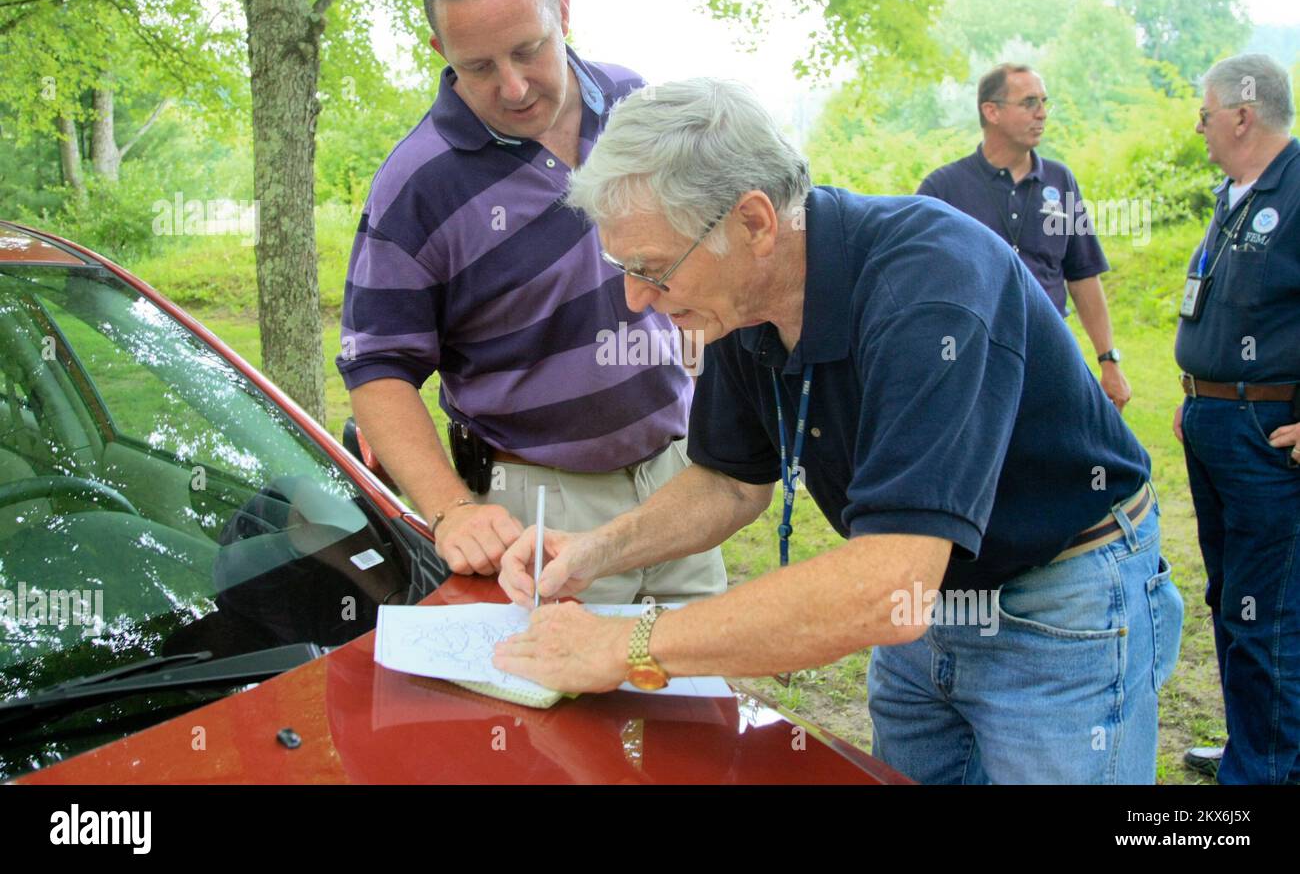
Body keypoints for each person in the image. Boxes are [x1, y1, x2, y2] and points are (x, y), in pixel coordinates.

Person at [492, 78, 1184, 784]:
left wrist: (625, 645)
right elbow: (731, 482)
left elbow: (885, 584)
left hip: (1056, 601)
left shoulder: (929, 285)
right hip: (927, 602)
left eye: (652, 270)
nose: (637, 299)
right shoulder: (738, 299)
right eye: (625, 270)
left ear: (754, 223)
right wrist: (591, 552)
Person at [335, 0, 725, 604]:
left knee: (700, 699)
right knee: (571, 707)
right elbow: (377, 367)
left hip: (679, 483)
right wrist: (451, 509)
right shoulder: (415, 185)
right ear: (440, 50)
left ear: (564, 13)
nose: (514, 88)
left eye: (529, 50)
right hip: (537, 513)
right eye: (480, 67)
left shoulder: (639, 106)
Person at [1174, 52, 1300, 785]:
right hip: (1215, 423)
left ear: (1243, 115)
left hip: (1267, 434)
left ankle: (1266, 772)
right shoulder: (1233, 192)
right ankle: (1253, 742)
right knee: (1232, 599)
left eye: (1206, 114)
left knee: (1270, 611)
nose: (1200, 128)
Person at [917, 64, 1132, 412]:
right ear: (992, 111)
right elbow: (921, 285)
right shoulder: (943, 189)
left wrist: (1109, 360)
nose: (1042, 113)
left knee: (1052, 459)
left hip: (1050, 352)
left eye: (1045, 102)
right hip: (975, 358)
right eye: (1029, 102)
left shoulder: (1061, 182)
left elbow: (1082, 275)